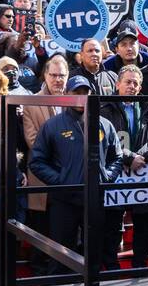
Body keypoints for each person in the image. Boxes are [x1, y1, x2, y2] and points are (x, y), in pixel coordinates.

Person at [29, 75, 125, 265]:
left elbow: (117, 157)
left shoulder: (105, 124)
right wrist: (60, 181)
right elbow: (37, 161)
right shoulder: (52, 125)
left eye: (85, 92)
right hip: (64, 200)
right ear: (67, 94)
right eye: (77, 92)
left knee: (95, 252)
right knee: (61, 256)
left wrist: (105, 177)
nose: (81, 96)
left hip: (94, 199)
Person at [102, 65, 148, 268]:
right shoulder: (105, 107)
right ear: (118, 84)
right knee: (112, 223)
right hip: (116, 172)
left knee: (143, 222)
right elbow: (106, 139)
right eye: (128, 82)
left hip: (143, 171)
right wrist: (128, 158)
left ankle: (140, 264)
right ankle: (110, 266)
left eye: (136, 83)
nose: (132, 86)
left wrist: (139, 157)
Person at [21, 55, 68, 273]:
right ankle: (39, 273)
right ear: (45, 76)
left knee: (66, 233)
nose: (58, 80)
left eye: (62, 75)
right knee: (40, 232)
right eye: (53, 75)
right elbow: (33, 141)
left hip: (69, 180)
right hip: (41, 180)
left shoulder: (76, 102)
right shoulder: (32, 103)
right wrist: (67, 147)